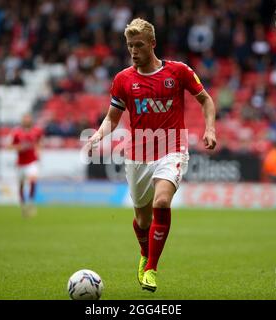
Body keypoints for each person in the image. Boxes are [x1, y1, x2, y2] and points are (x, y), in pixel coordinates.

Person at [85, 18, 217, 292]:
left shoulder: (178, 72)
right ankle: (144, 252)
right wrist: (98, 135)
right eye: (130, 46)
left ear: (153, 44)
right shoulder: (123, 79)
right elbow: (112, 117)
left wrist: (210, 129)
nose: (133, 51)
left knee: (163, 201)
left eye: (139, 45)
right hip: (137, 155)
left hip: (172, 148)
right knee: (143, 221)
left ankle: (151, 268)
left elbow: (205, 99)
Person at [10, 114, 43, 217]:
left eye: (28, 119)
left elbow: (39, 142)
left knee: (33, 179)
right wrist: (19, 148)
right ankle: (23, 205)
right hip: (20, 163)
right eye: (25, 119)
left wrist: (39, 152)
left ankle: (31, 202)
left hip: (32, 161)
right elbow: (10, 146)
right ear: (22, 120)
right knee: (21, 185)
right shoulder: (16, 133)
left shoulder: (36, 131)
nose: (26, 120)